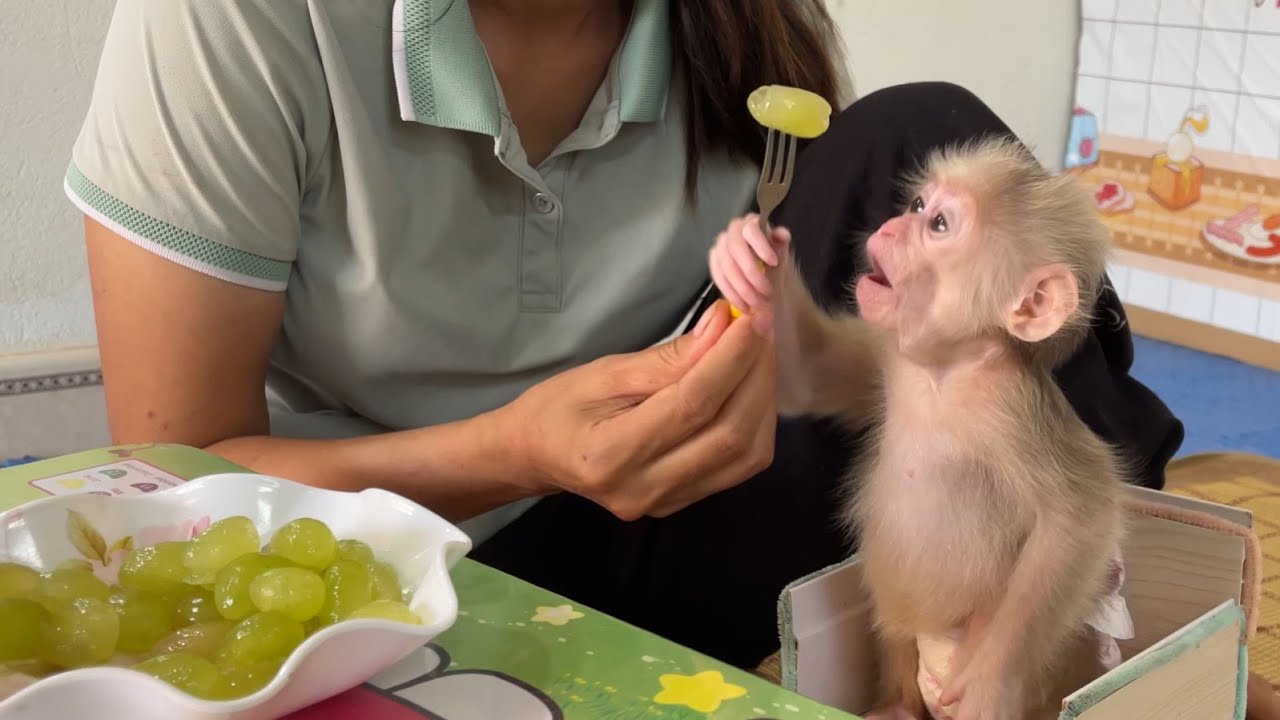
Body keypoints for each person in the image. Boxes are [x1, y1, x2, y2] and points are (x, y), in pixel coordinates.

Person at [69, 0, 1188, 683]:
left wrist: (767, 339)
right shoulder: (236, 22)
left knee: (926, 133)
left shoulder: (752, 35)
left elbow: (843, 344)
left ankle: (1088, 645)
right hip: (408, 560)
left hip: (690, 515)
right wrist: (511, 453)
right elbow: (176, 474)